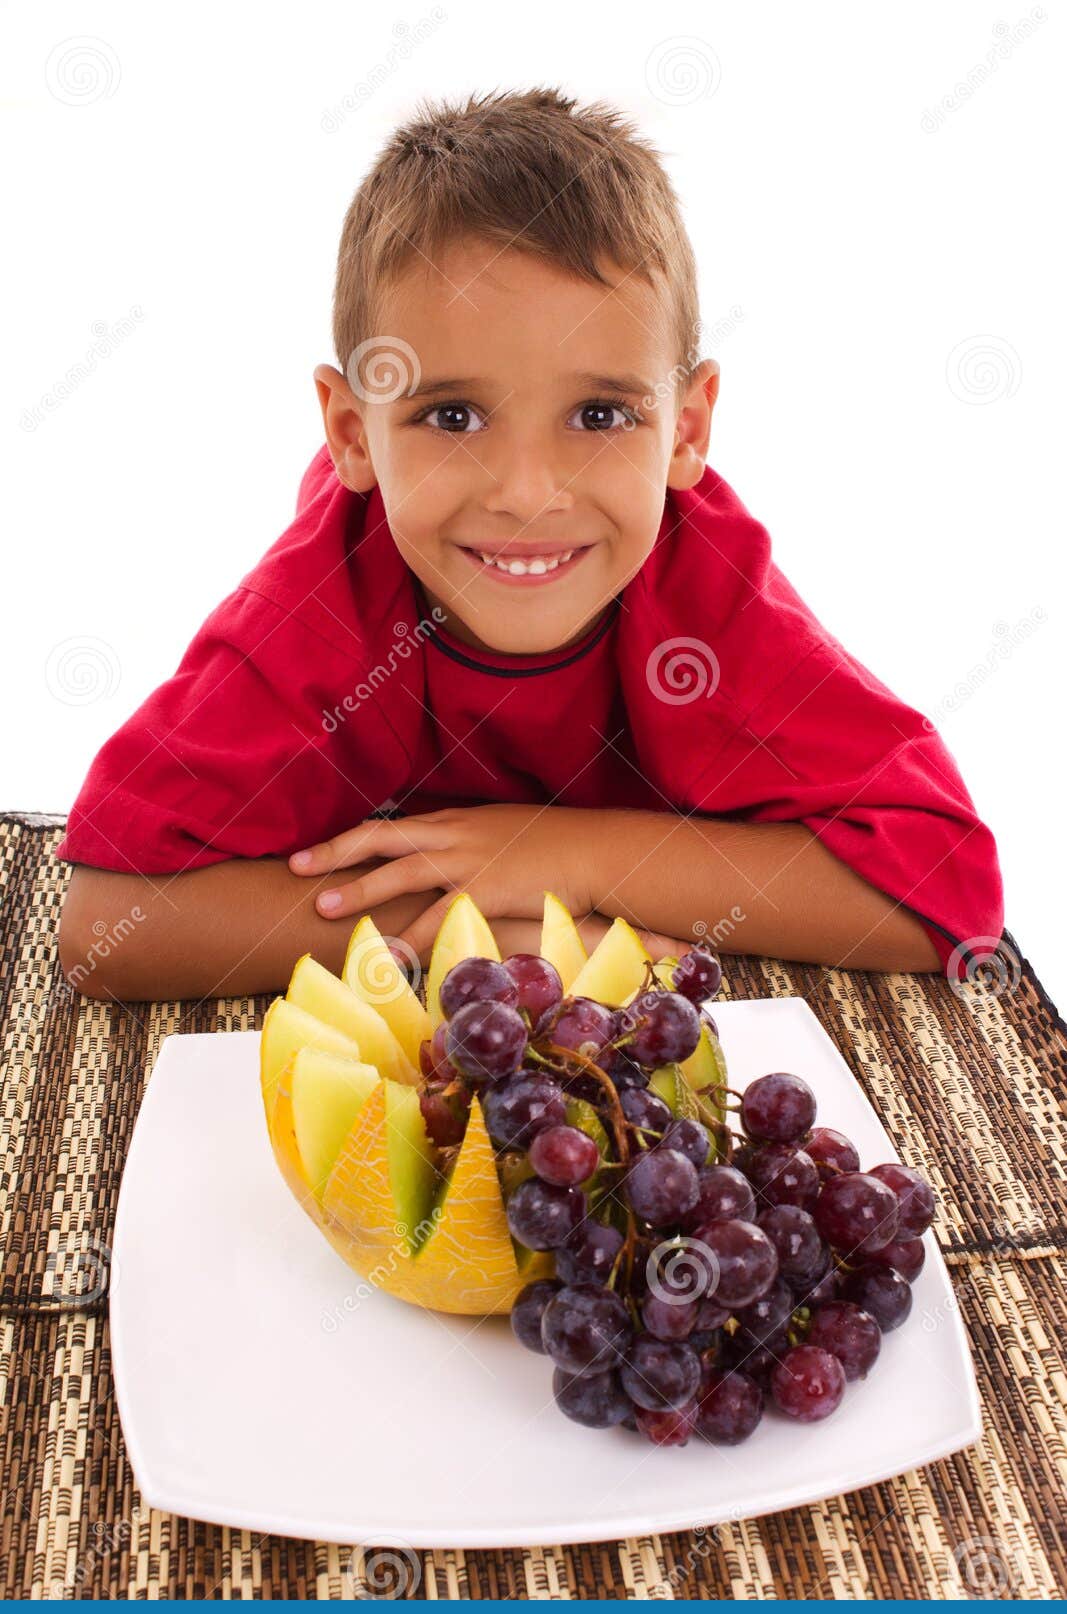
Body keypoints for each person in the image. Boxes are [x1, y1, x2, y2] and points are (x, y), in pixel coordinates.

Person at [57, 87, 1004, 1003]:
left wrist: (572, 858)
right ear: (352, 434)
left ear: (686, 429)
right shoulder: (324, 599)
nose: (525, 493)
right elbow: (107, 929)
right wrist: (478, 927)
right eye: (451, 414)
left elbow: (947, 896)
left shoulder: (703, 592)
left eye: (599, 413)